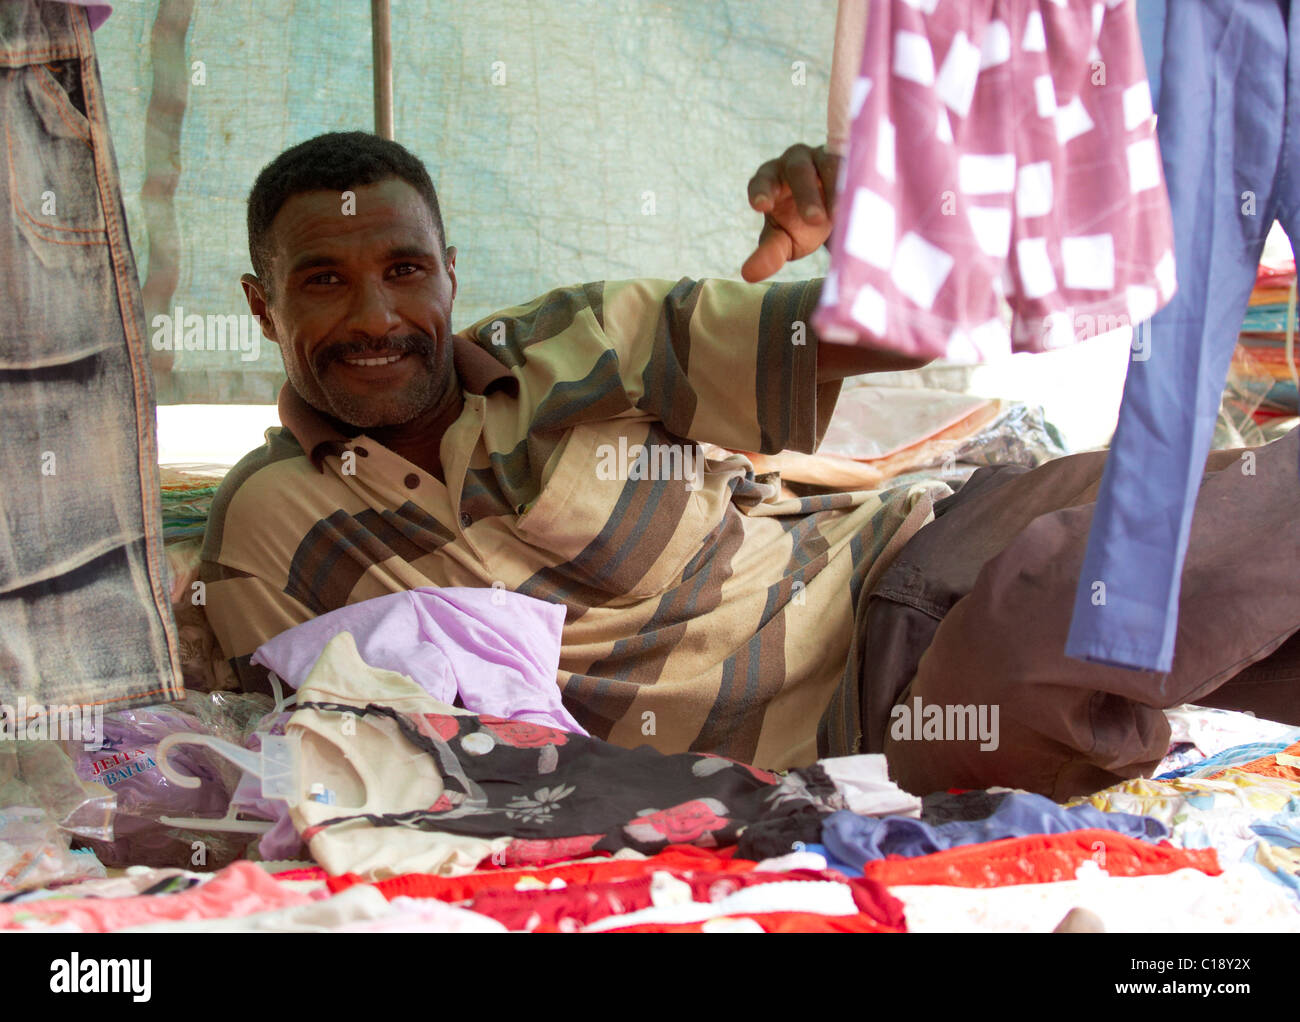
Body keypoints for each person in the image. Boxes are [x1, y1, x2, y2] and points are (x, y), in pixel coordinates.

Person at [201, 132, 1300, 799]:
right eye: (323, 282)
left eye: (403, 269)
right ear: (260, 303)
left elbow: (865, 333)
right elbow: (280, 728)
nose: (377, 316)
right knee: (1075, 615)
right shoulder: (267, 522)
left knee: (1187, 493)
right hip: (894, 710)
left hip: (923, 540)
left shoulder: (580, 338)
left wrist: (886, 233)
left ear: (451, 271)